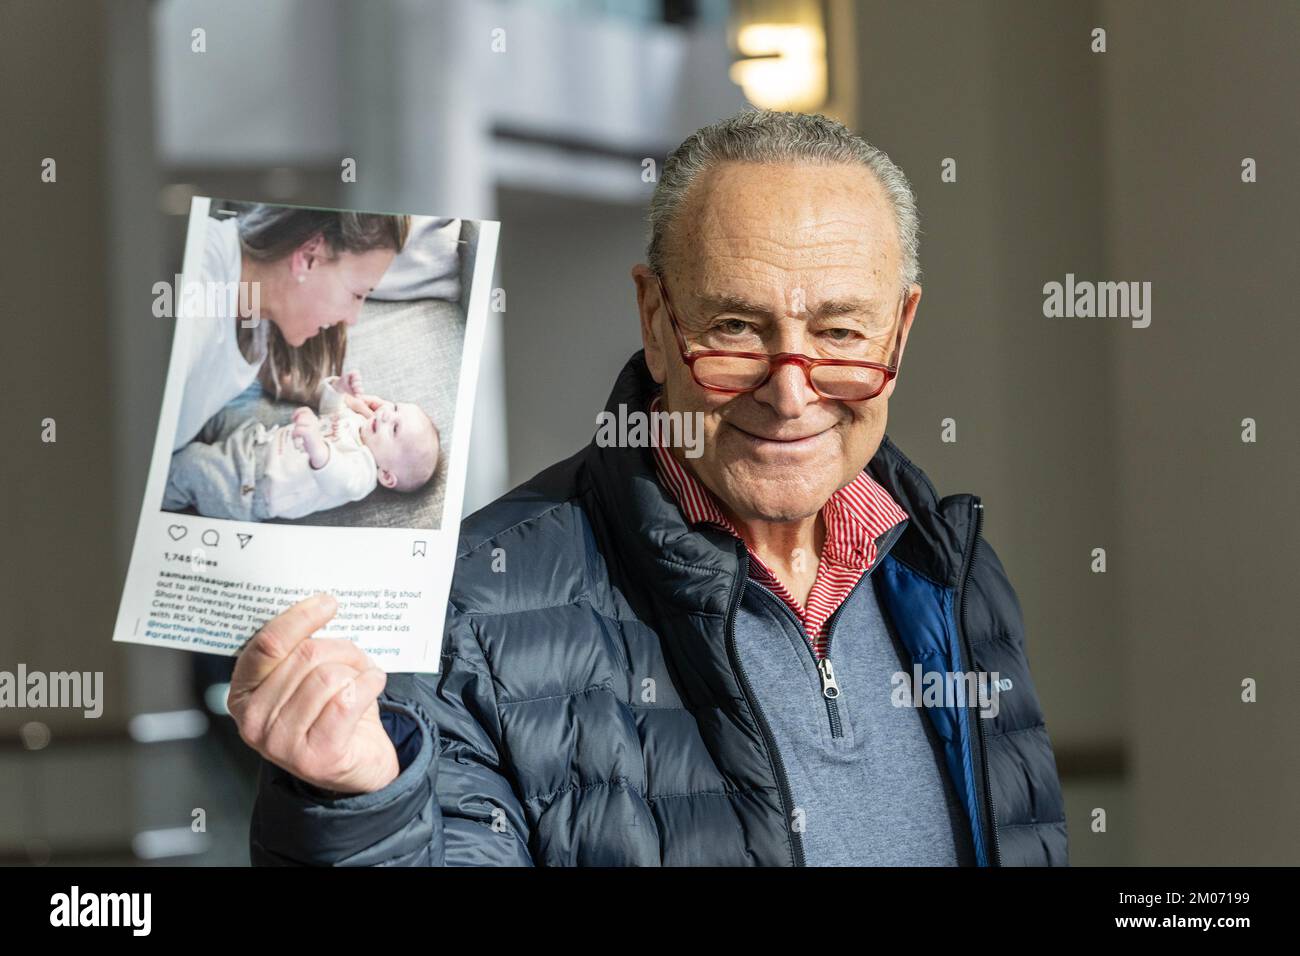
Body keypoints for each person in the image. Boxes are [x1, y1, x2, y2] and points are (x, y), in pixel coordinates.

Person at [232, 109, 1068, 866]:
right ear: (656, 323)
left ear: (901, 329)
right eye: (735, 328)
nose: (789, 391)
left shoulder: (954, 576)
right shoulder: (468, 611)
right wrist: (361, 810)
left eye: (841, 333)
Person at [171, 205, 411, 453]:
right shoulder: (192, 311)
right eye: (357, 294)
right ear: (308, 258)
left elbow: (248, 369)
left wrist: (326, 396)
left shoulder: (255, 297)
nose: (353, 318)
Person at [163, 371, 439, 522]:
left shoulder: (362, 472)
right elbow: (331, 410)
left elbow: (336, 477)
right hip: (254, 440)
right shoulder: (356, 425)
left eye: (395, 428)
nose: (387, 414)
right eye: (395, 408)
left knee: (189, 466)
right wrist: (338, 389)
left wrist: (316, 445)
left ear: (387, 475)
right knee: (214, 415)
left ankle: (148, 497)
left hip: (248, 486)